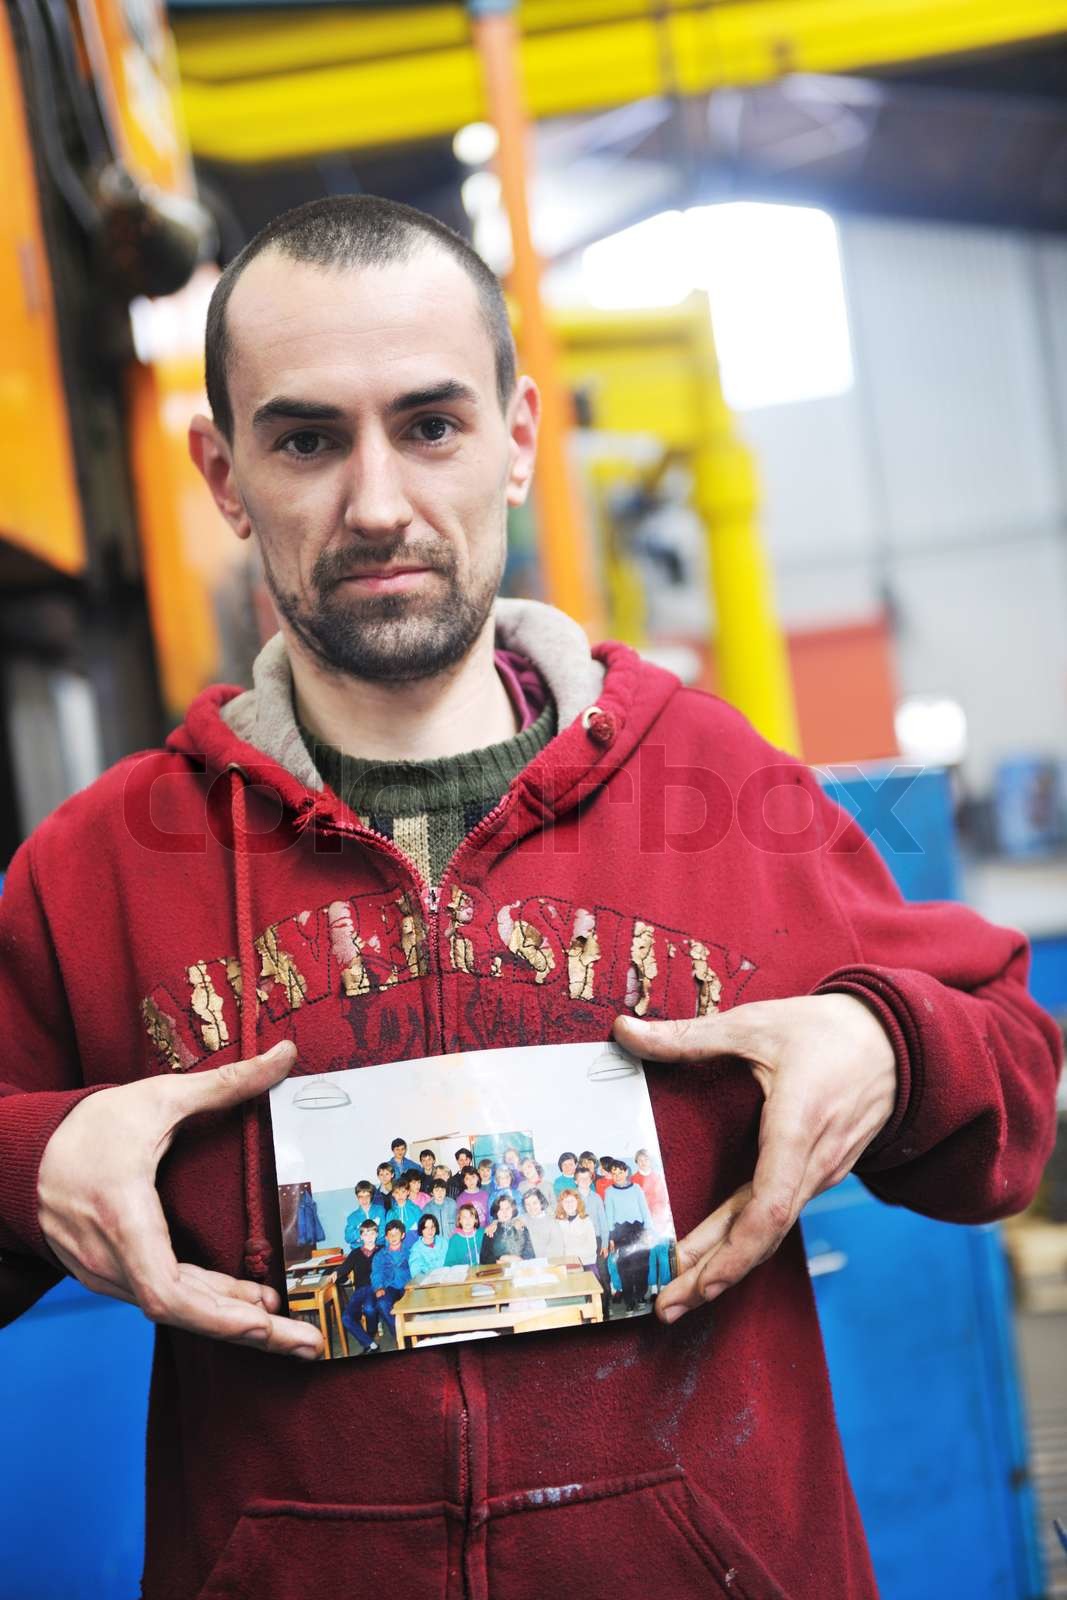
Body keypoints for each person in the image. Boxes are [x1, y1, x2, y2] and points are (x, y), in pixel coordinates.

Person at [5, 194, 1058, 1600]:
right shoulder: (104, 866)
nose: (375, 502)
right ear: (222, 472)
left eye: (429, 425)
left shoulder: (718, 788)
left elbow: (1013, 1085)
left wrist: (884, 1042)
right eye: (306, 439)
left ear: (517, 436)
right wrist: (33, 1169)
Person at [605, 1160, 654, 1312]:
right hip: (621, 1233)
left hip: (639, 1231)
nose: (618, 1176)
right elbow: (609, 1216)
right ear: (611, 1175)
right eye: (614, 1173)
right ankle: (629, 1300)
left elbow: (645, 1210)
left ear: (626, 1172)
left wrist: (648, 1231)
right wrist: (611, 1238)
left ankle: (639, 1296)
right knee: (624, 1268)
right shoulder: (609, 1192)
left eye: (620, 1172)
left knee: (642, 1266)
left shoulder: (637, 1189)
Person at [333, 1218, 383, 1352]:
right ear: (361, 1236)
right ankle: (370, 1343)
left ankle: (371, 1337)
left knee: (369, 1309)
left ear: (377, 1234)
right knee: (346, 1317)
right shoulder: (355, 1253)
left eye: (372, 1233)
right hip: (359, 1291)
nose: (369, 1237)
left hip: (375, 1288)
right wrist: (336, 1273)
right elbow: (345, 1267)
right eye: (365, 1234)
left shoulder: (382, 1251)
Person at [632, 1147, 672, 1295]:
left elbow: (665, 1201)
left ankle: (666, 1286)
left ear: (651, 1161)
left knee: (662, 1253)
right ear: (636, 1162)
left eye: (646, 1159)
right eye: (640, 1160)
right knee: (649, 1255)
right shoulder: (633, 1180)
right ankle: (653, 1287)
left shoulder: (659, 1177)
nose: (643, 1163)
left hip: (660, 1221)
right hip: (644, 1223)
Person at [369, 1219, 413, 1338]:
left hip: (407, 1286)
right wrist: (379, 1287)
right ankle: (400, 1335)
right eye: (390, 1235)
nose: (393, 1237)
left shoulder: (410, 1252)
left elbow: (415, 1270)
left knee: (413, 1304)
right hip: (390, 1287)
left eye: (396, 1234)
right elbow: (376, 1273)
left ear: (403, 1235)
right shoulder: (380, 1255)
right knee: (382, 1303)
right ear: (386, 1237)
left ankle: (413, 1331)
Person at [480, 1194, 534, 1265]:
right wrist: (502, 1259)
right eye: (501, 1209)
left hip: (520, 1268)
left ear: (513, 1209)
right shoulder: (491, 1230)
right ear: (496, 1212)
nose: (504, 1212)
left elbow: (530, 1253)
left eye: (507, 1208)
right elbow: (484, 1258)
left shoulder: (520, 1226)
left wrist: (521, 1262)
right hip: (498, 1269)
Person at [521, 1186, 563, 1260]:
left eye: (535, 1203)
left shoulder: (552, 1223)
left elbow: (557, 1250)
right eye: (527, 1204)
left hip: (546, 1263)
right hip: (525, 1263)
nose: (531, 1207)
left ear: (541, 1202)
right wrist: (495, 1222)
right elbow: (508, 1219)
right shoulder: (525, 1218)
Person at [343, 1181, 386, 1247]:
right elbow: (348, 1238)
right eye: (361, 1197)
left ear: (371, 1196)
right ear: (357, 1197)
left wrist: (369, 1239)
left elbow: (383, 1231)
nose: (364, 1200)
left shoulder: (380, 1210)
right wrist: (362, 1232)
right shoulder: (352, 1217)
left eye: (367, 1196)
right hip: (360, 1250)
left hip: (378, 1247)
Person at [443, 1204, 485, 1269]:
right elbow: (449, 1264)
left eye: (471, 1217)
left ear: (476, 1220)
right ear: (459, 1220)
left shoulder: (483, 1234)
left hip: (483, 1273)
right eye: (464, 1217)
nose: (468, 1220)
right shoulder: (454, 1240)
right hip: (463, 1275)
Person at [408, 1213, 447, 1279]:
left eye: (432, 1227)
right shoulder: (416, 1249)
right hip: (428, 1281)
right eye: (426, 1228)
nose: (430, 1231)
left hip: (446, 1278)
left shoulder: (444, 1241)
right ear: (421, 1229)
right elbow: (415, 1272)